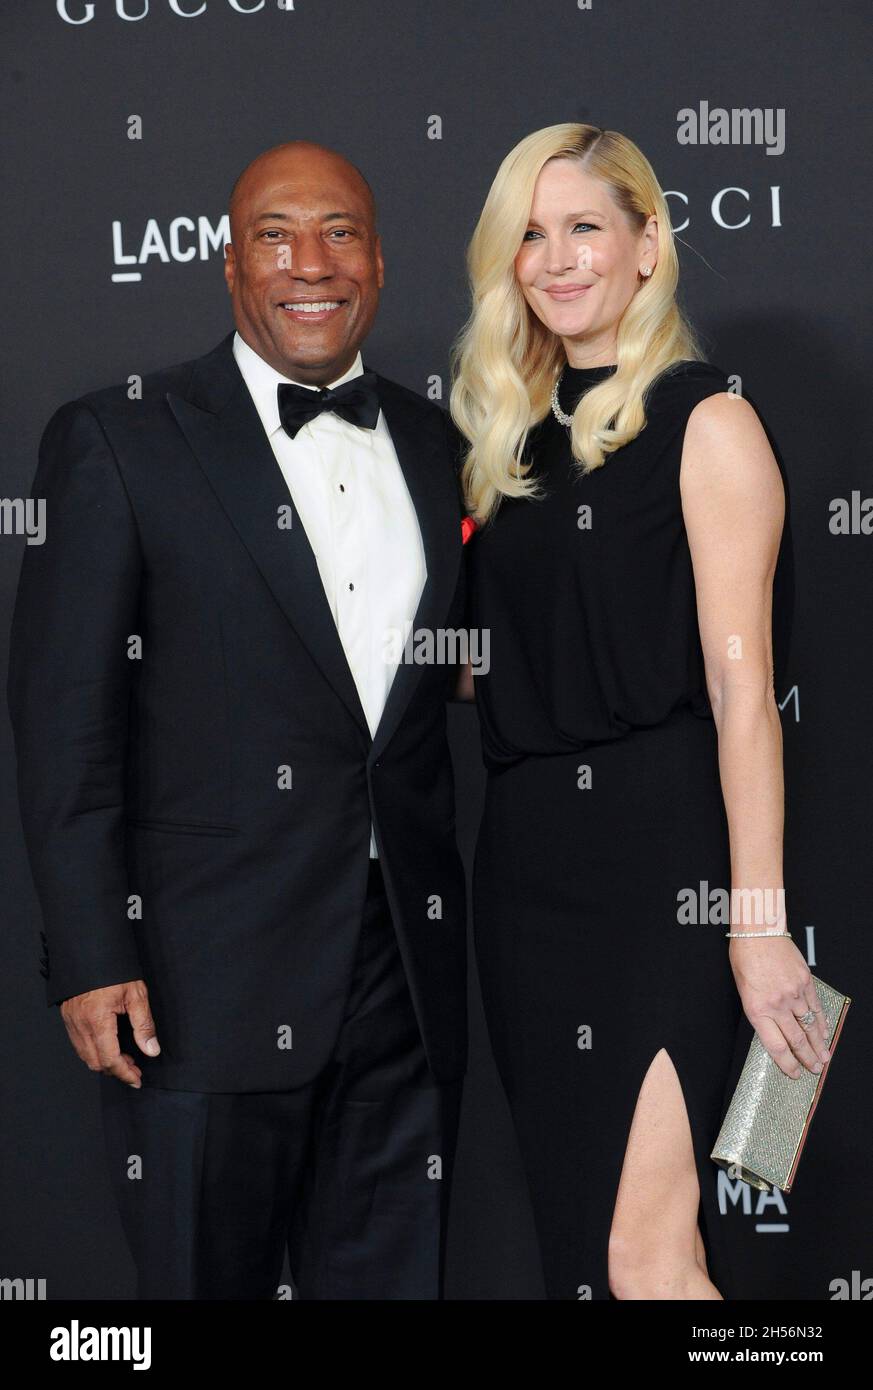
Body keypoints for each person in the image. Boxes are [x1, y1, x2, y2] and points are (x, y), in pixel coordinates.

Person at [8, 141, 468, 1300]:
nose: (311, 263)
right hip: (198, 979)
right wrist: (92, 953)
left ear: (381, 258)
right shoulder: (120, 437)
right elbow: (66, 719)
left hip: (401, 970)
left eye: (341, 233)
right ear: (228, 264)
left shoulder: (431, 443)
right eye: (275, 235)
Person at [450, 123, 830, 1300]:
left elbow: (741, 696)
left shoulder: (706, 421)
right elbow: (476, 670)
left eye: (583, 227)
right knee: (584, 1255)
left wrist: (756, 925)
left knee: (650, 1258)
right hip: (524, 874)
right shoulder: (501, 450)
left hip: (664, 869)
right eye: (528, 234)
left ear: (648, 242)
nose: (555, 259)